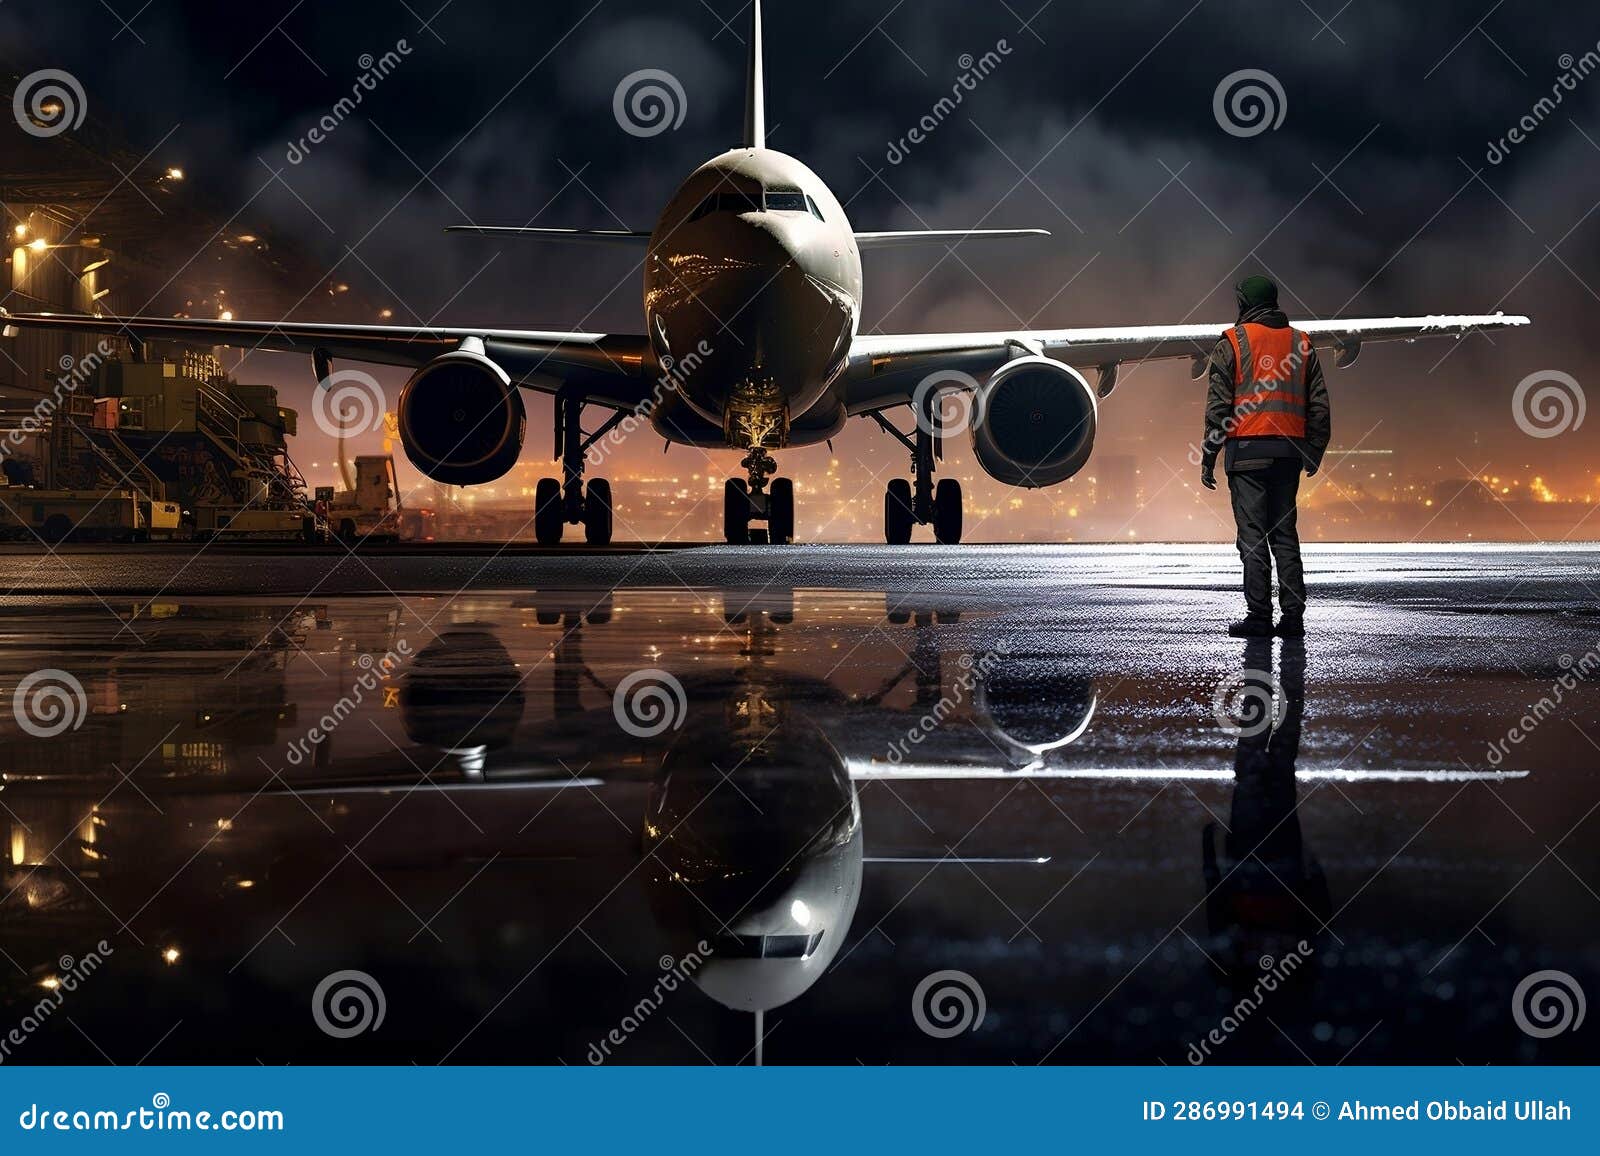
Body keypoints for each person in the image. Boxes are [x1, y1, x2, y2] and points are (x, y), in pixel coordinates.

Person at [1200, 276, 1330, 638]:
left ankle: (1259, 616)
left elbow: (1218, 408)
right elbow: (1319, 406)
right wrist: (1313, 451)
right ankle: (1293, 618)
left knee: (1253, 537)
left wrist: (1209, 455)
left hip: (1246, 454)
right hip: (1288, 454)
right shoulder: (1301, 343)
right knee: (1285, 535)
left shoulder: (1233, 342)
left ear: (1243, 302)